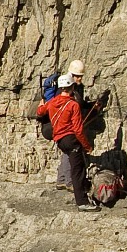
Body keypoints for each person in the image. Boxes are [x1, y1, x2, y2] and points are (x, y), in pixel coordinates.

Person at [38, 73, 99, 211]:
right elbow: (78, 129)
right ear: (71, 87)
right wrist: (86, 145)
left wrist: (41, 105)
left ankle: (63, 182)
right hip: (71, 139)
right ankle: (82, 202)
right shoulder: (73, 105)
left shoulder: (52, 102)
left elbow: (41, 111)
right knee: (78, 170)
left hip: (59, 140)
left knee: (71, 164)